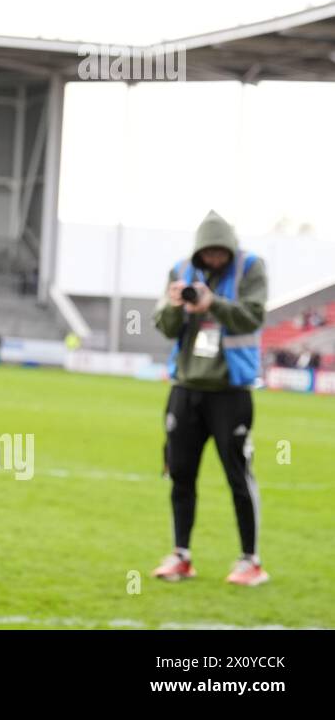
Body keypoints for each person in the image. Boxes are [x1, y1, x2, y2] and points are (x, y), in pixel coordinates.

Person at [151, 210, 269, 587]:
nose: (215, 259)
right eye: (209, 253)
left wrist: (211, 304)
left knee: (238, 476)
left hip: (230, 391)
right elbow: (165, 329)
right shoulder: (181, 269)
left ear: (230, 250)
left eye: (221, 252)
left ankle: (250, 560)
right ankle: (180, 555)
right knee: (180, 474)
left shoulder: (250, 267)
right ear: (200, 251)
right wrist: (174, 306)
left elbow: (252, 317)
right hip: (186, 389)